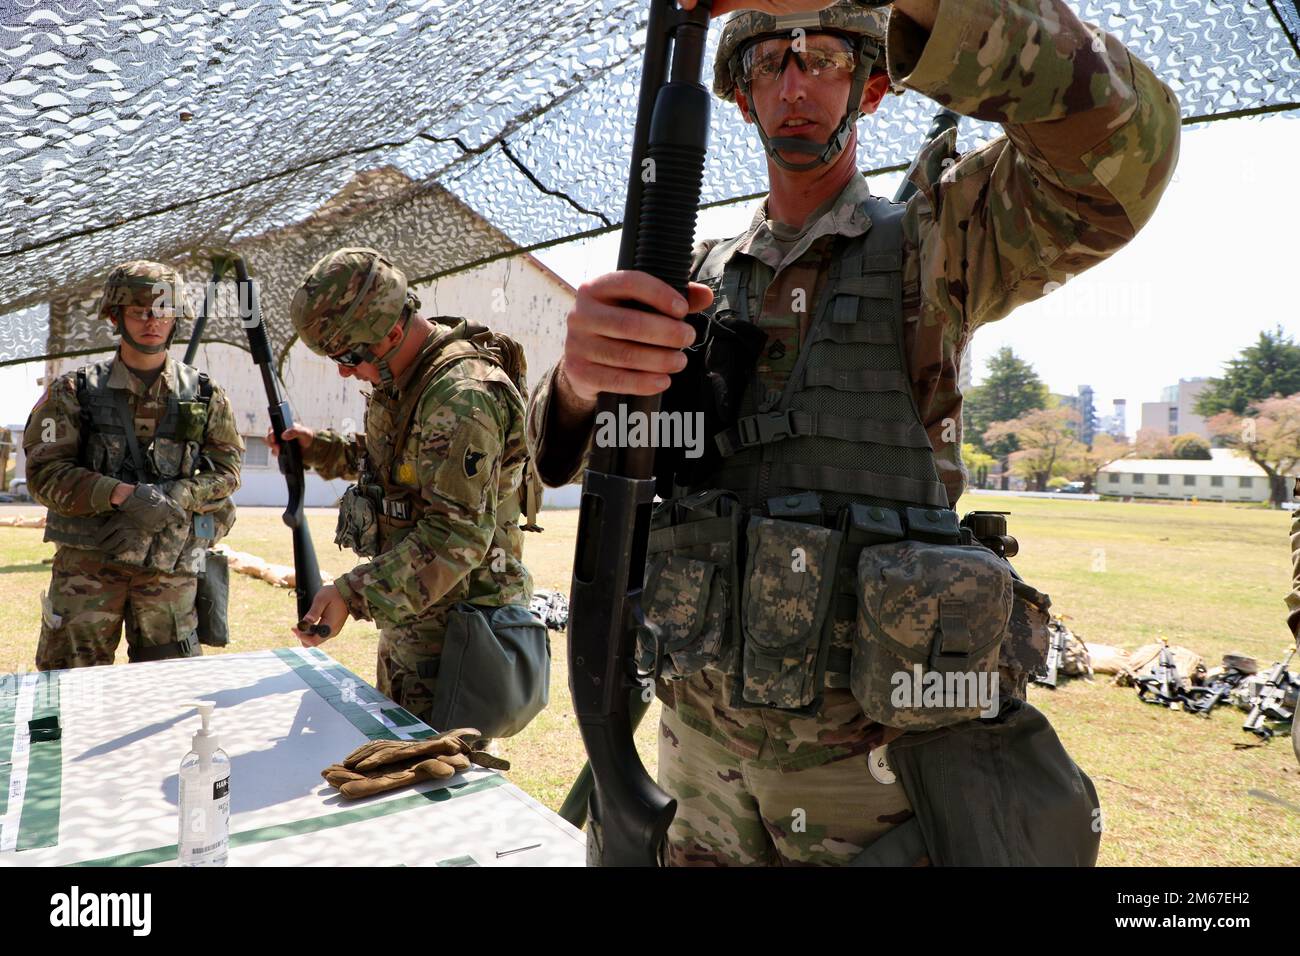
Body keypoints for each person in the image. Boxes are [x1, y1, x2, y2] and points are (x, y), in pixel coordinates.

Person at [527, 0, 1179, 865]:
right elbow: (562, 454)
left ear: (874, 88)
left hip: (871, 785)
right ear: (741, 95)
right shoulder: (688, 279)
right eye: (770, 64)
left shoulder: (936, 244)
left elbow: (1129, 145)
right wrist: (579, 378)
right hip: (697, 769)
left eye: (825, 58)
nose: (796, 83)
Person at [274, 247, 544, 735]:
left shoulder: (461, 397)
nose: (343, 371)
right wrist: (318, 448)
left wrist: (351, 594)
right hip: (416, 617)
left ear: (393, 333)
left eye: (348, 357)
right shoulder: (406, 377)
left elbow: (455, 537)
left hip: (459, 637)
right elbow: (395, 464)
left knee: (442, 783)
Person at [24, 260, 243, 669]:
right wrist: (122, 495)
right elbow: (44, 472)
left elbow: (227, 471)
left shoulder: (205, 395)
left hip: (169, 569)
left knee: (166, 695)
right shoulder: (73, 392)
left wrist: (176, 494)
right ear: (115, 316)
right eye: (140, 310)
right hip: (88, 570)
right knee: (72, 688)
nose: (152, 321)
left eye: (163, 310)